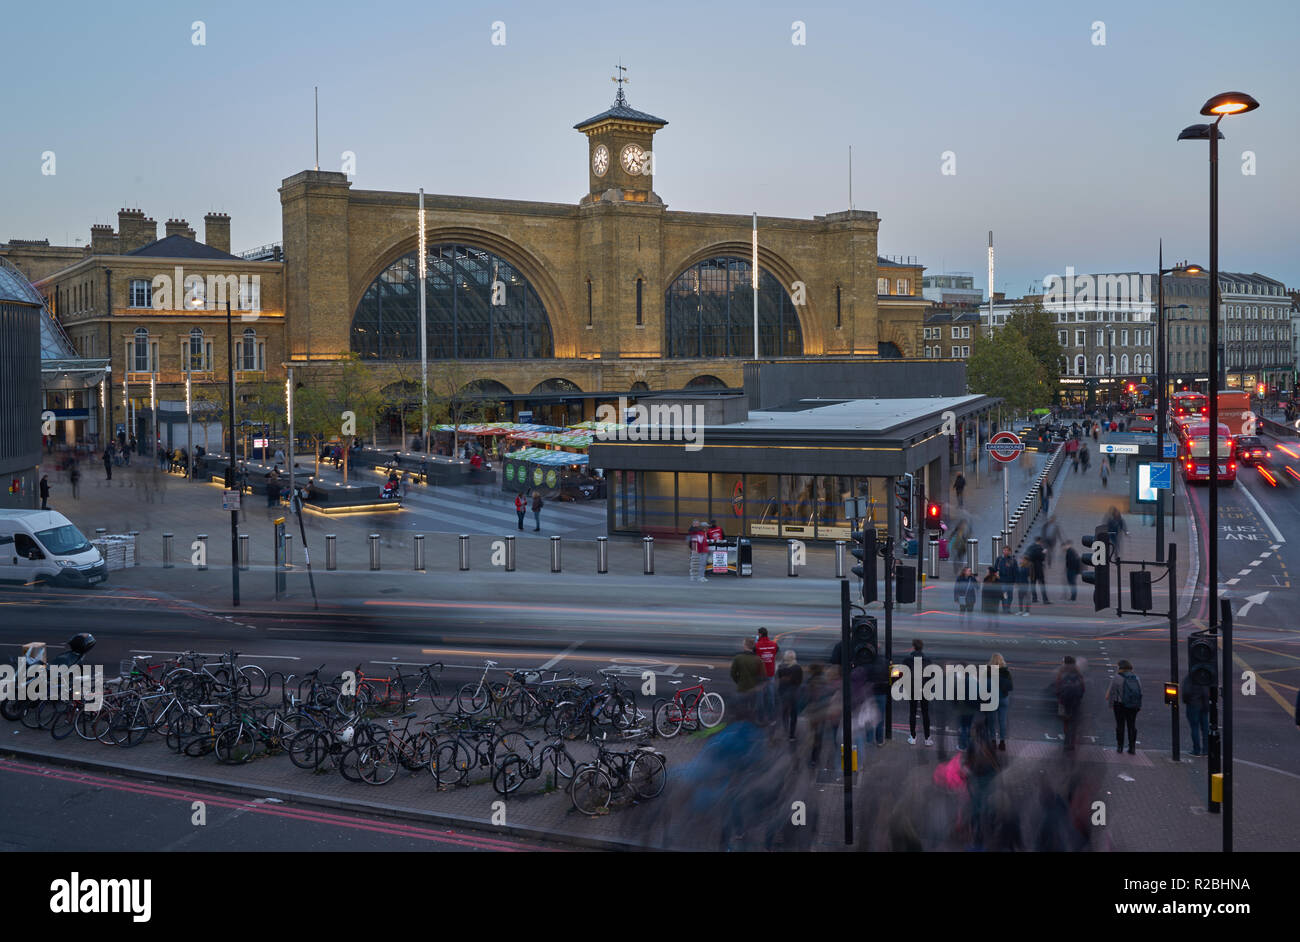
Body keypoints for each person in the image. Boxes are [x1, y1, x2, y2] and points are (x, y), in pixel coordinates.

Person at [1105, 659, 1141, 754]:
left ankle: (1120, 747)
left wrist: (1111, 704)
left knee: (1120, 725)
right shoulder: (1136, 678)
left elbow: (1112, 692)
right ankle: (1132, 748)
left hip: (1119, 704)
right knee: (1131, 725)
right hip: (1133, 705)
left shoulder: (1117, 677)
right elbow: (1139, 692)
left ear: (1120, 667)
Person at [1054, 656, 1086, 752]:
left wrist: (1059, 697)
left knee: (1066, 721)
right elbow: (1083, 688)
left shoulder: (1061, 672)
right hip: (1076, 700)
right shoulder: (1078, 672)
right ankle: (1072, 743)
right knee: (1074, 721)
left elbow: (1057, 686)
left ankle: (1066, 742)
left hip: (1064, 700)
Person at [906, 638, 933, 746]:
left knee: (912, 712)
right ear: (922, 647)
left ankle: (913, 737)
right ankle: (927, 739)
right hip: (924, 688)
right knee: (925, 713)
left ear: (913, 647)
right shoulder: (927, 659)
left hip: (912, 688)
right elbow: (931, 675)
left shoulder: (908, 659)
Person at [1180, 670, 1211, 757]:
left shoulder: (1190, 678)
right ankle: (1206, 750)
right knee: (1205, 728)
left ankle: (1196, 750)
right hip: (1203, 706)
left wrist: (1187, 701)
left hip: (1193, 705)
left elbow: (1186, 692)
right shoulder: (1205, 677)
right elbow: (1206, 693)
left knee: (1194, 728)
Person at [730, 637, 765, 709]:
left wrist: (738, 681)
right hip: (753, 689)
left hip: (741, 688)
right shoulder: (758, 659)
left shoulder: (738, 658)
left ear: (745, 645)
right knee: (752, 708)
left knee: (740, 708)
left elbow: (732, 674)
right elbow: (763, 676)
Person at [776, 650, 803, 741]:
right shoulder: (798, 668)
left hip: (783, 692)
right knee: (793, 714)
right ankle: (792, 734)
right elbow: (799, 682)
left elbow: (779, 679)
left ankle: (785, 729)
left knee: (784, 712)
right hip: (794, 693)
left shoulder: (781, 667)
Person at [755, 628, 779, 722]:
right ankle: (771, 716)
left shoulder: (757, 645)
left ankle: (760, 717)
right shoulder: (774, 644)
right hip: (770, 672)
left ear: (760, 634)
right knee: (770, 695)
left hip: (760, 674)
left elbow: (754, 655)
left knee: (760, 696)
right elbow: (776, 651)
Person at [990, 653, 1012, 751]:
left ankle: (993, 741)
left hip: (992, 699)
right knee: (1002, 721)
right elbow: (1010, 686)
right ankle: (1002, 742)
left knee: (991, 721)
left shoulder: (988, 671)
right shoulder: (1006, 671)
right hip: (1003, 698)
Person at [1026, 537, 1049, 604]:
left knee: (1033, 583)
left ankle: (1034, 598)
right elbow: (1042, 558)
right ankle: (1045, 599)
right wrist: (1044, 553)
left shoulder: (1030, 547)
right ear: (1040, 541)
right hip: (1038, 567)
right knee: (1042, 583)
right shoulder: (1039, 548)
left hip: (1032, 568)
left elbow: (1028, 555)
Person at [995, 546, 1017, 613]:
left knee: (1010, 597)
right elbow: (995, 568)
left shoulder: (1013, 560)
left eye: (1007, 550)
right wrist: (996, 575)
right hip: (1002, 581)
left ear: (1010, 552)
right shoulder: (999, 559)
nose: (1005, 552)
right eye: (1004, 550)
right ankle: (1005, 609)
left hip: (1010, 582)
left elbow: (1016, 571)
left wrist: (1015, 581)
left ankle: (1008, 608)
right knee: (1005, 596)